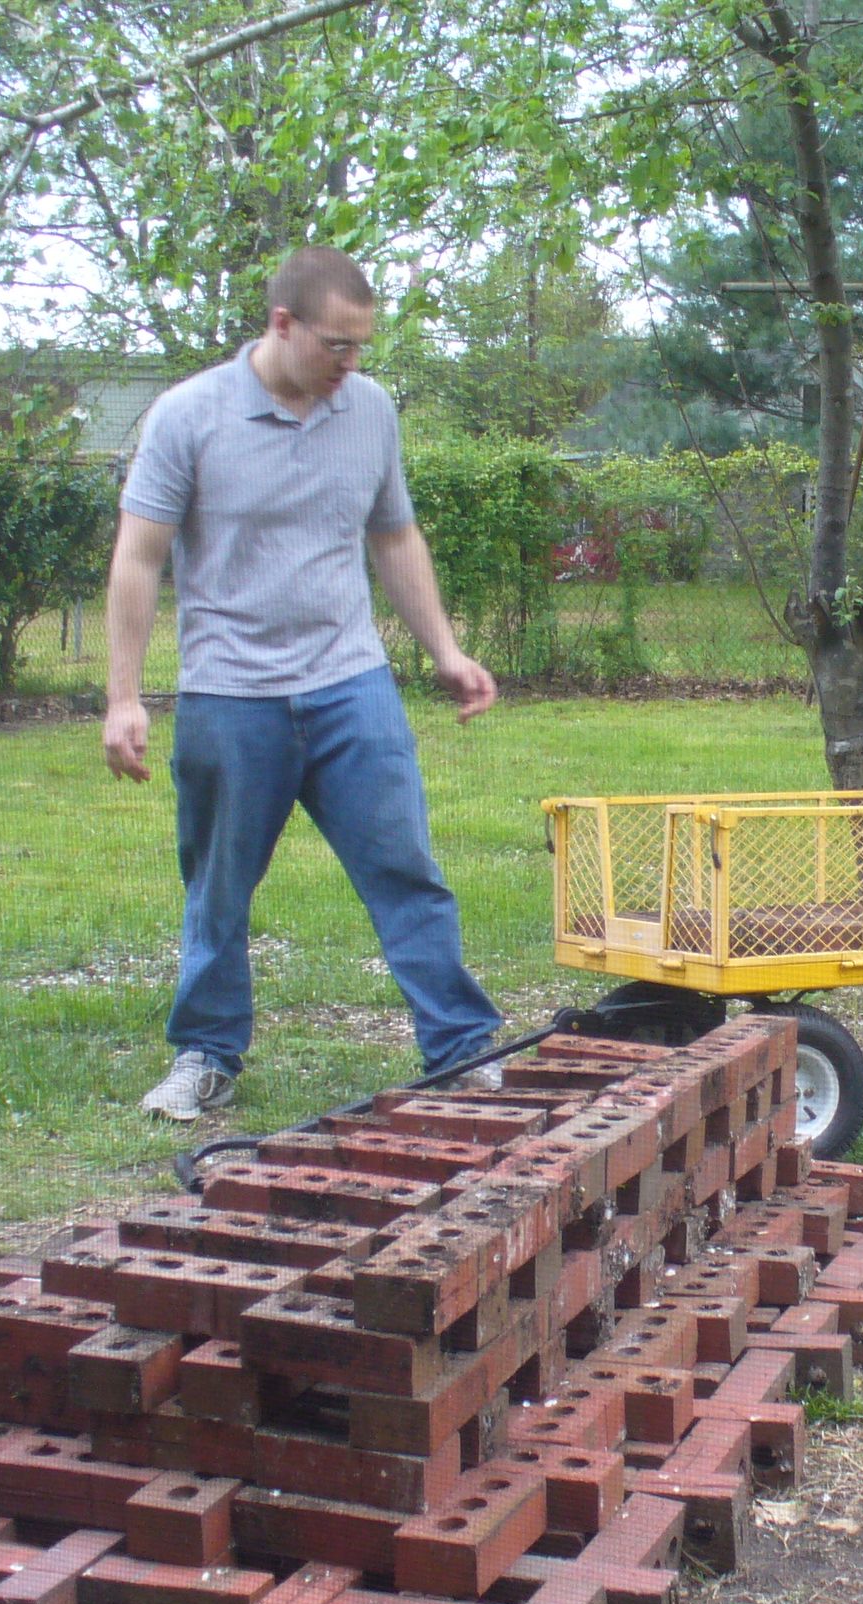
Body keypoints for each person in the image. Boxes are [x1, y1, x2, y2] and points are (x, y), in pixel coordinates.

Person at [102, 246, 502, 1122]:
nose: (350, 363)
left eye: (362, 347)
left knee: (406, 869)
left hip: (349, 686)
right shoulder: (188, 416)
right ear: (281, 325)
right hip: (229, 694)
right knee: (218, 887)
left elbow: (394, 537)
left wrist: (444, 649)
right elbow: (138, 557)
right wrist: (125, 696)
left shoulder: (368, 412)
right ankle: (206, 1056)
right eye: (336, 345)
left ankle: (460, 1048)